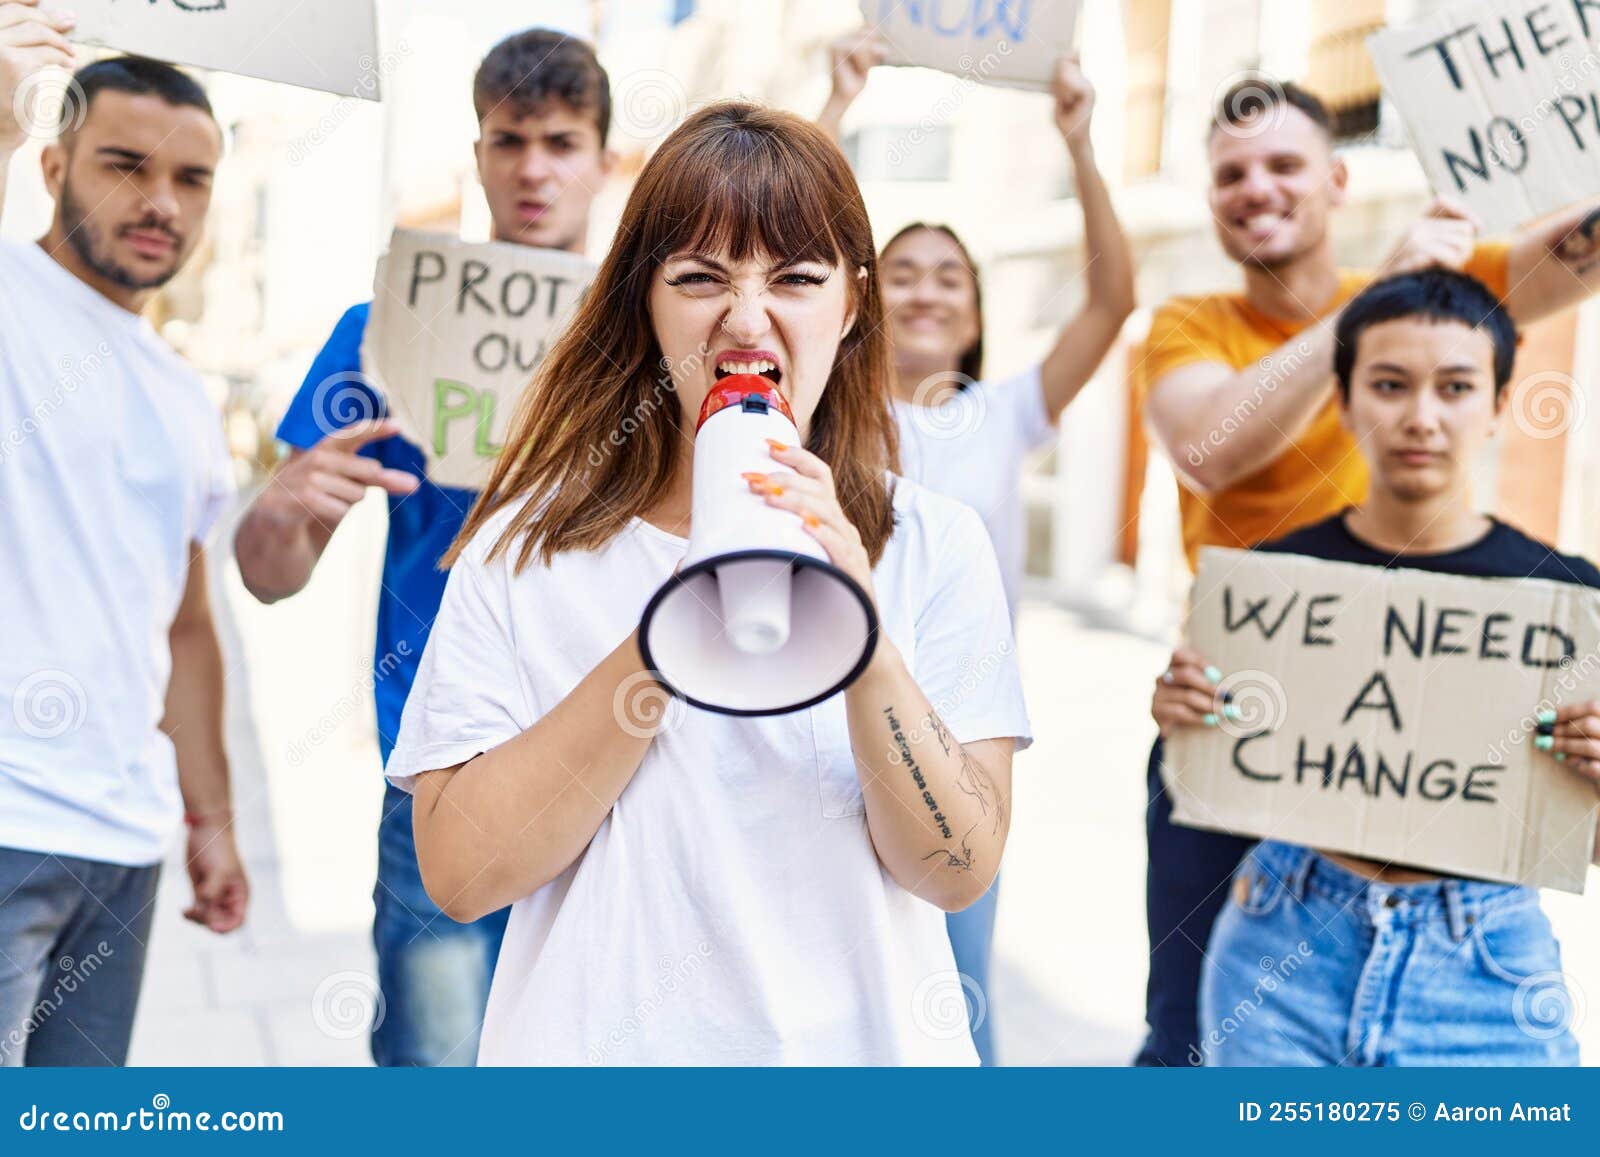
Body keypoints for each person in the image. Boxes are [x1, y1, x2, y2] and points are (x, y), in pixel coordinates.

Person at [384, 101, 1032, 1065]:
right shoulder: (524, 547)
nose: (746, 316)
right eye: (699, 278)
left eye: (796, 279)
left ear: (853, 306)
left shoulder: (936, 543)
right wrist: (666, 640)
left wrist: (862, 644)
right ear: (644, 305)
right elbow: (463, 874)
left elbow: (957, 865)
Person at [1134, 76, 1600, 1068]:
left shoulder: (1430, 293)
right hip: (1246, 722)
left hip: (1422, 729)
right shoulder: (1188, 321)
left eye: (1282, 164)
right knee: (1185, 1035)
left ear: (1336, 177)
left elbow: (1565, 261)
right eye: (1231, 173)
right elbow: (1209, 448)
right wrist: (1369, 299)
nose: (1256, 188)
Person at [231, 29, 614, 1066]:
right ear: (479, 153)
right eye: (510, 140)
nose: (534, 167)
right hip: (442, 761)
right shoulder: (383, 326)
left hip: (614, 762)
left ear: (602, 157)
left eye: (561, 141)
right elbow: (269, 572)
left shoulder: (647, 341)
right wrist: (285, 501)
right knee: (434, 1067)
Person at [820, 39, 1136, 1064]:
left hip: (961, 723)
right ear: (863, 302)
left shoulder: (1007, 412)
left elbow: (1110, 300)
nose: (923, 291)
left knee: (956, 973)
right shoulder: (829, 412)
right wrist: (835, 102)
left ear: (975, 311)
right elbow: (783, 265)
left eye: (947, 276)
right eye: (900, 273)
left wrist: (1079, 143)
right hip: (827, 703)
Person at [0, 20, 246, 1065]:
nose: (160, 203)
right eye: (125, 164)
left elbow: (186, 625)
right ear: (52, 163)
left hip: (122, 843)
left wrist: (212, 817)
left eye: (190, 179)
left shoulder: (184, 397)